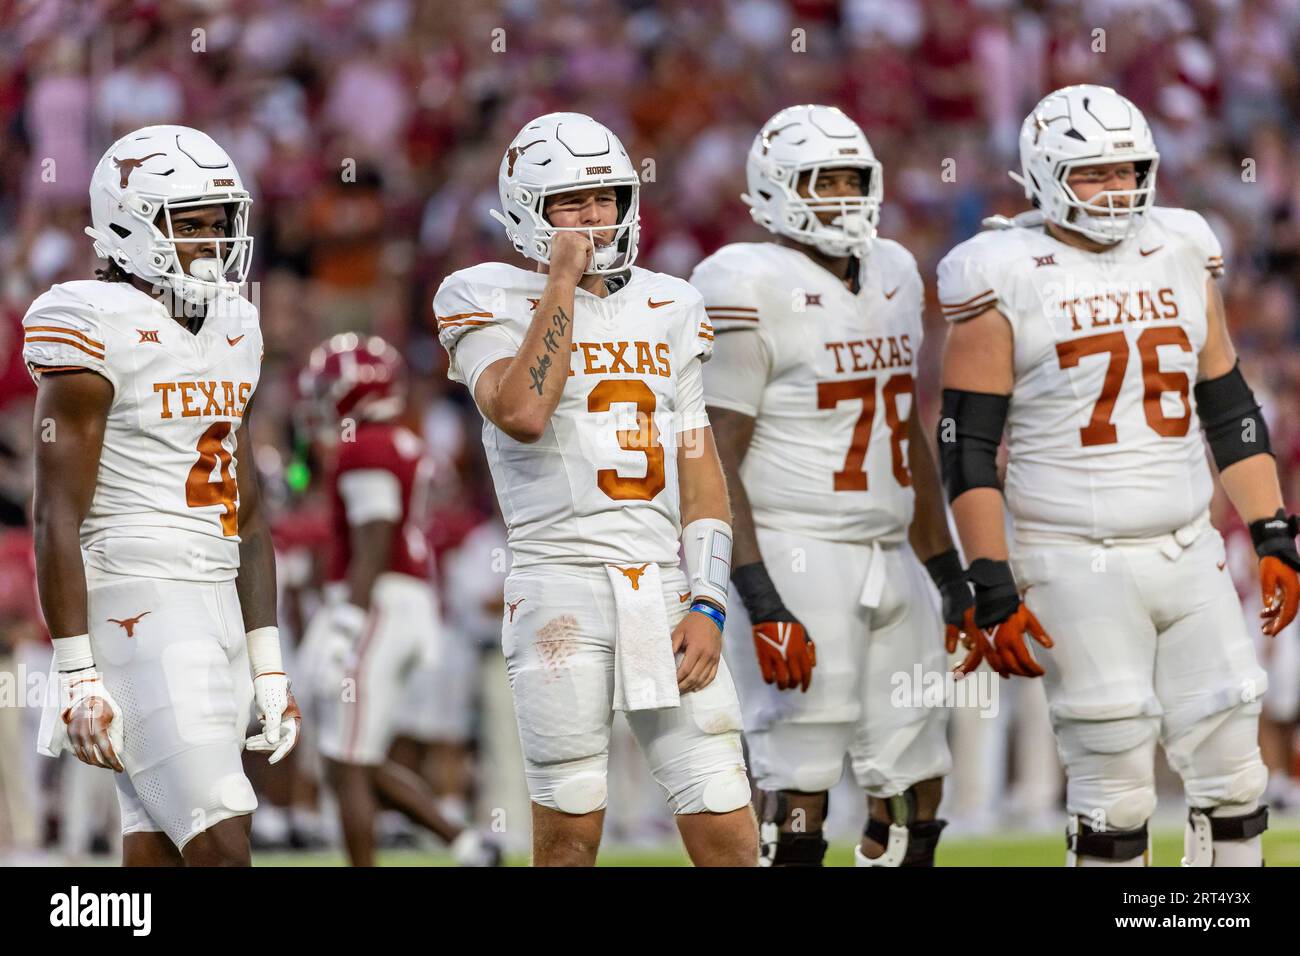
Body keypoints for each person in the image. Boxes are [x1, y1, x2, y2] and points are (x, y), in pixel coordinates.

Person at [937, 85, 1300, 866]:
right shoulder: (1000, 269)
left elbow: (1228, 402)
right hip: (1073, 553)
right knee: (1117, 786)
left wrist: (1274, 530)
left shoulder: (1179, 244)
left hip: (1187, 542)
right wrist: (991, 583)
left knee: (1237, 775)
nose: (1117, 189)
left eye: (1129, 169)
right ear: (1042, 173)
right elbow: (967, 447)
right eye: (1093, 173)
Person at [433, 112, 757, 866]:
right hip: (560, 591)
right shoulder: (478, 294)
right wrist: (562, 282)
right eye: (571, 203)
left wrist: (709, 600)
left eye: (607, 197)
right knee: (571, 843)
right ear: (526, 211)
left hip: (664, 587)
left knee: (729, 832)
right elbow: (522, 410)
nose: (596, 217)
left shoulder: (671, 303)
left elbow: (699, 464)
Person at [691, 105, 974, 867]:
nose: (842, 197)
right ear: (776, 189)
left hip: (891, 548)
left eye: (853, 179)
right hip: (795, 547)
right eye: (822, 182)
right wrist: (758, 600)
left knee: (918, 785)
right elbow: (716, 457)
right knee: (798, 789)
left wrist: (950, 574)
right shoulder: (744, 282)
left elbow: (906, 434)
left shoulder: (892, 270)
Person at [27, 125, 298, 866]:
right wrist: (78, 672)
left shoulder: (235, 325)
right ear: (128, 223)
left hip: (211, 593)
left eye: (220, 223)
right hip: (139, 595)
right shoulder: (91, 323)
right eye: (192, 224)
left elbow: (247, 511)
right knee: (221, 841)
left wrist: (268, 666)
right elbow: (55, 514)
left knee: (156, 854)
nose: (213, 242)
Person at [297, 333, 498, 866]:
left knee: (346, 760)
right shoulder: (399, 441)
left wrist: (345, 621)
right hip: (403, 600)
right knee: (351, 757)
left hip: (379, 599)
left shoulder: (366, 447)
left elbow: (376, 534)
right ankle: (466, 844)